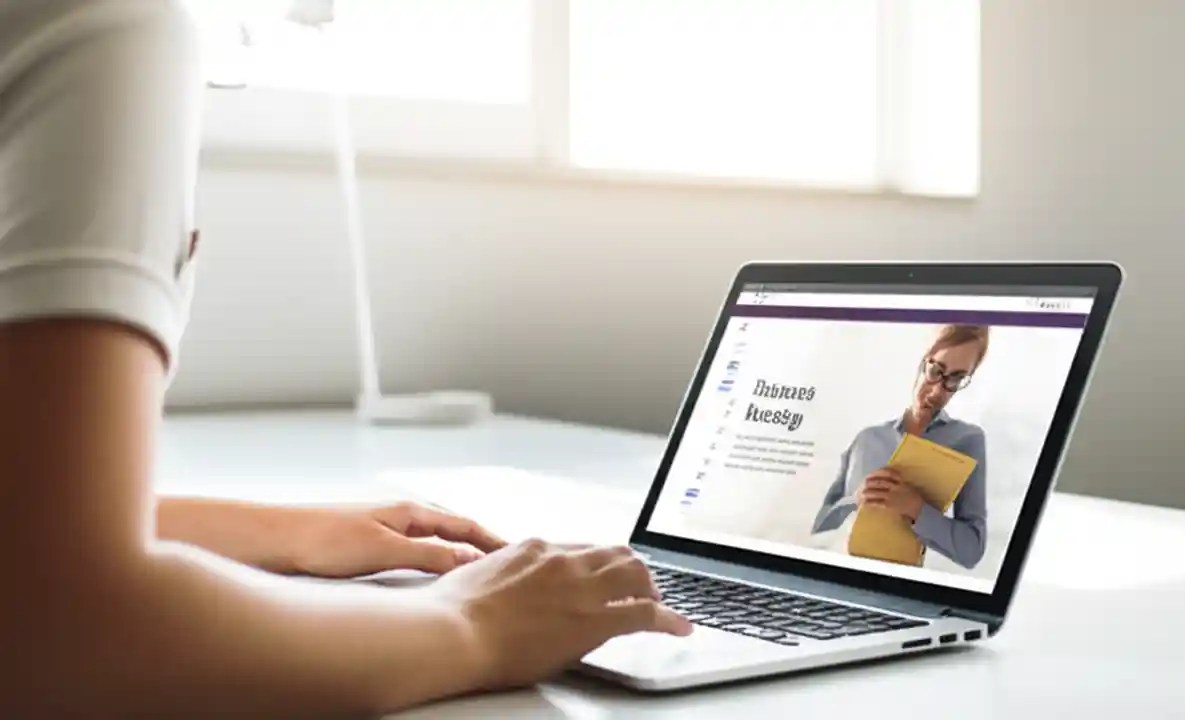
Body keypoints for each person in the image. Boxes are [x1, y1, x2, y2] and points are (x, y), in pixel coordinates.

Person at [0, 0, 689, 715]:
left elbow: (23, 527)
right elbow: (64, 623)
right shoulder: (103, 25)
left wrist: (283, 534)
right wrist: (468, 624)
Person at [811, 324, 990, 570]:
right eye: (936, 370)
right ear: (920, 361)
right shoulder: (867, 438)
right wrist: (855, 500)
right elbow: (819, 525)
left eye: (957, 378)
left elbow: (972, 551)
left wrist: (916, 509)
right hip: (834, 573)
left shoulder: (967, 440)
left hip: (900, 588)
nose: (938, 391)